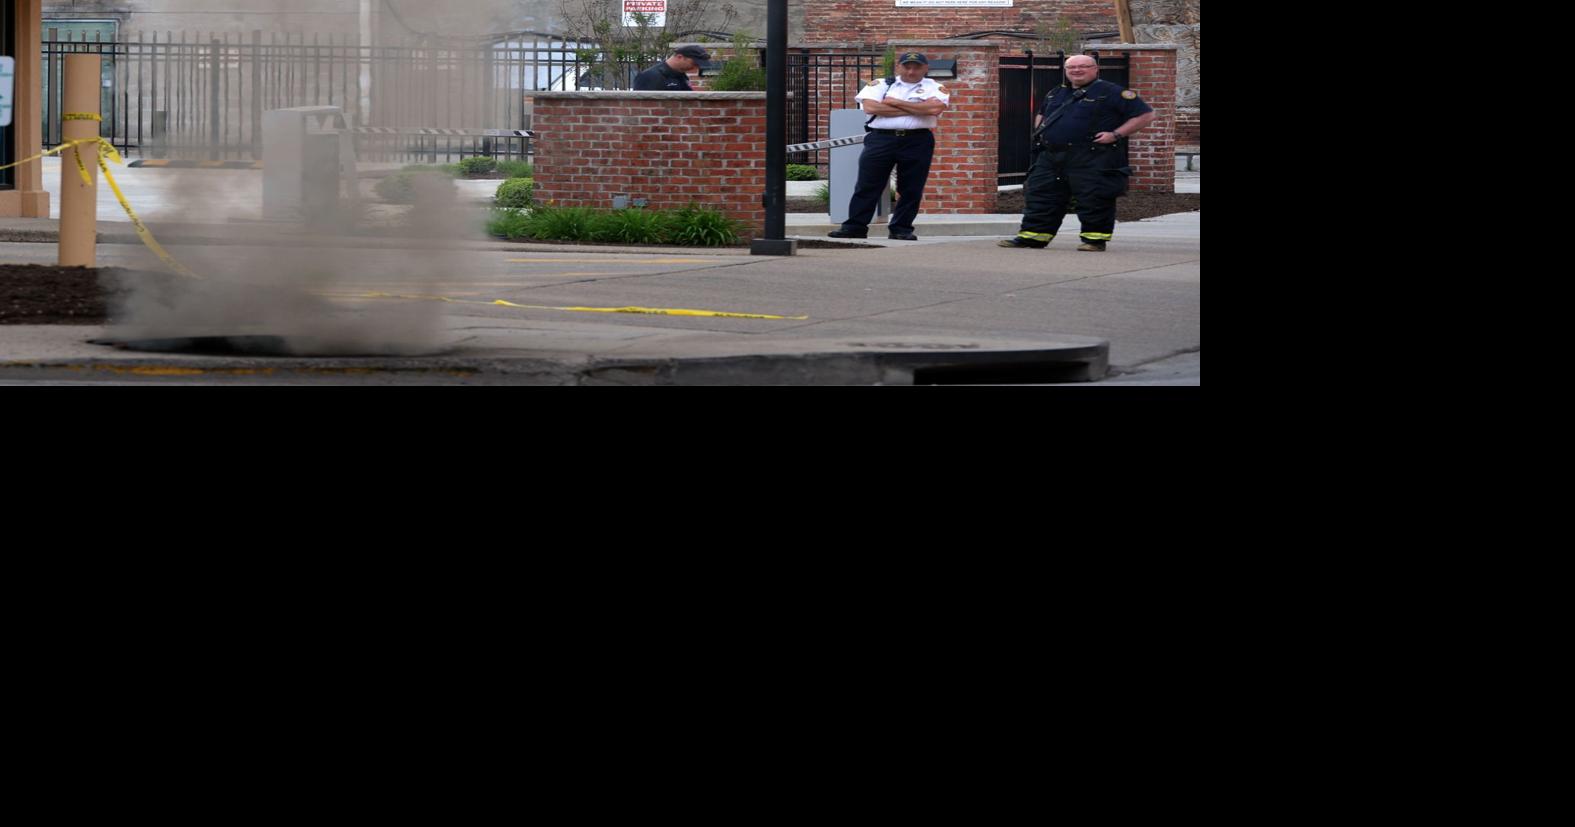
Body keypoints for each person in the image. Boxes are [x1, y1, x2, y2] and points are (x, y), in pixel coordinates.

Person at [999, 54, 1156, 252]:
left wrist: (1115, 134)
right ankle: (1033, 237)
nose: (1077, 70)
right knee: (1041, 195)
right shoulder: (1057, 92)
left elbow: (1146, 115)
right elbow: (1043, 113)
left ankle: (1094, 240)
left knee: (1094, 197)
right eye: (1071, 67)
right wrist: (1041, 133)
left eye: (1083, 66)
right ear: (1066, 71)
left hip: (1092, 155)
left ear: (1095, 69)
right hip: (1051, 156)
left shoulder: (1112, 92)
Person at [828, 52, 950, 241]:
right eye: (907, 66)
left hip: (917, 140)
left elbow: (934, 109)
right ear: (898, 67)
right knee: (868, 184)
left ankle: (901, 228)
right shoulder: (881, 84)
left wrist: (894, 103)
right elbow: (871, 108)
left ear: (925, 68)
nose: (911, 71)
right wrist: (917, 108)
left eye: (917, 67)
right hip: (881, 139)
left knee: (911, 187)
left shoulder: (934, 87)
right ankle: (855, 226)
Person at [632, 45, 711, 91]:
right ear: (680, 57)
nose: (695, 67)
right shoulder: (649, 76)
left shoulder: (682, 77)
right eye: (694, 63)